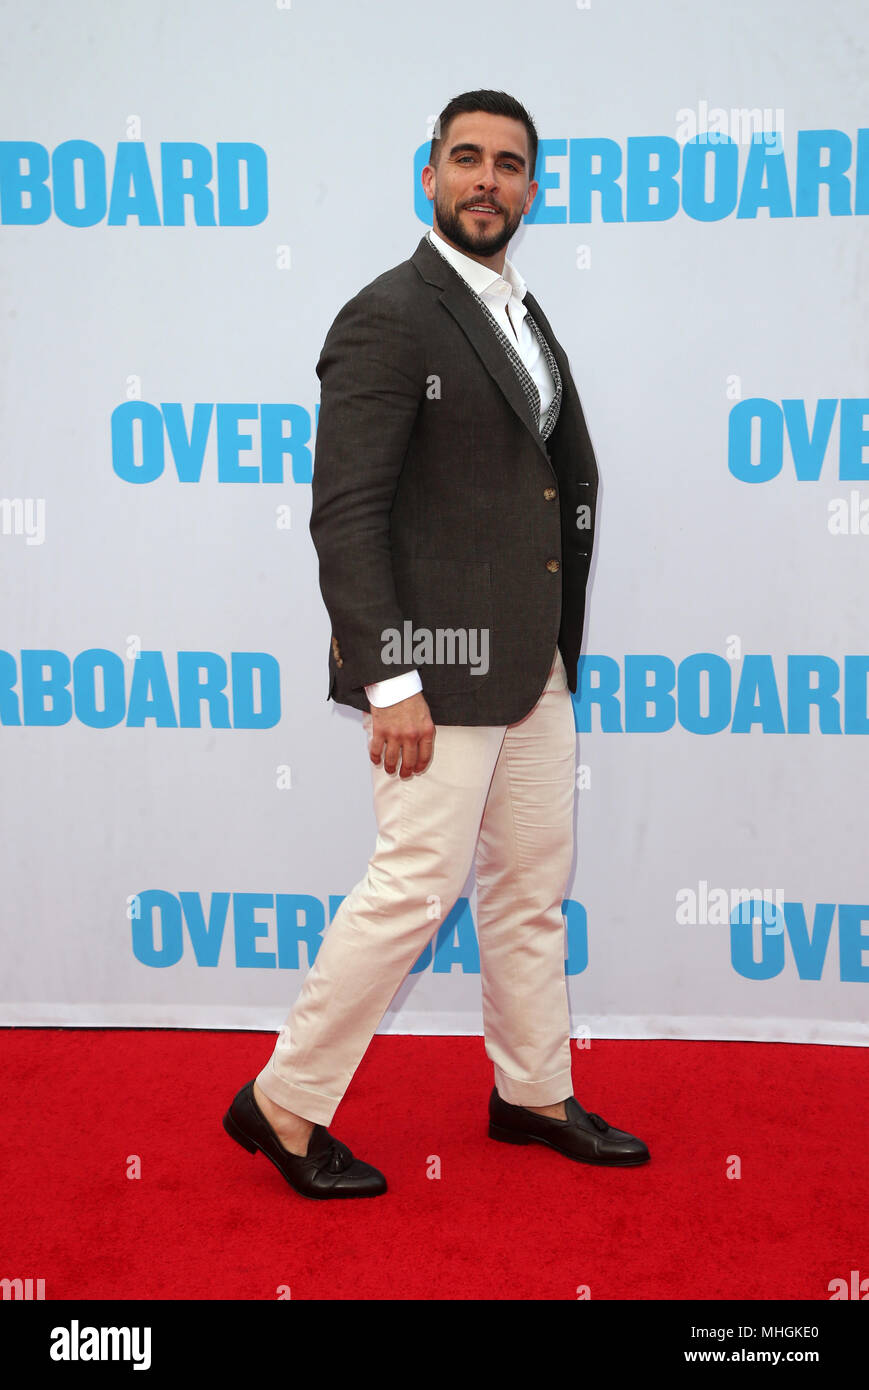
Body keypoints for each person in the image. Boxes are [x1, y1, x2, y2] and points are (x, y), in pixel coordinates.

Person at [223, 89, 650, 1198]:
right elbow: (346, 513)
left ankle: (528, 1090)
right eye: (467, 159)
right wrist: (390, 676)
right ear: (428, 173)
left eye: (510, 165)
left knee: (527, 887)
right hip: (434, 667)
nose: (487, 181)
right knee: (414, 886)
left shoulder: (516, 307)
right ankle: (282, 1102)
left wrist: (555, 650)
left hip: (534, 663)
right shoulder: (390, 313)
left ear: (533, 187)